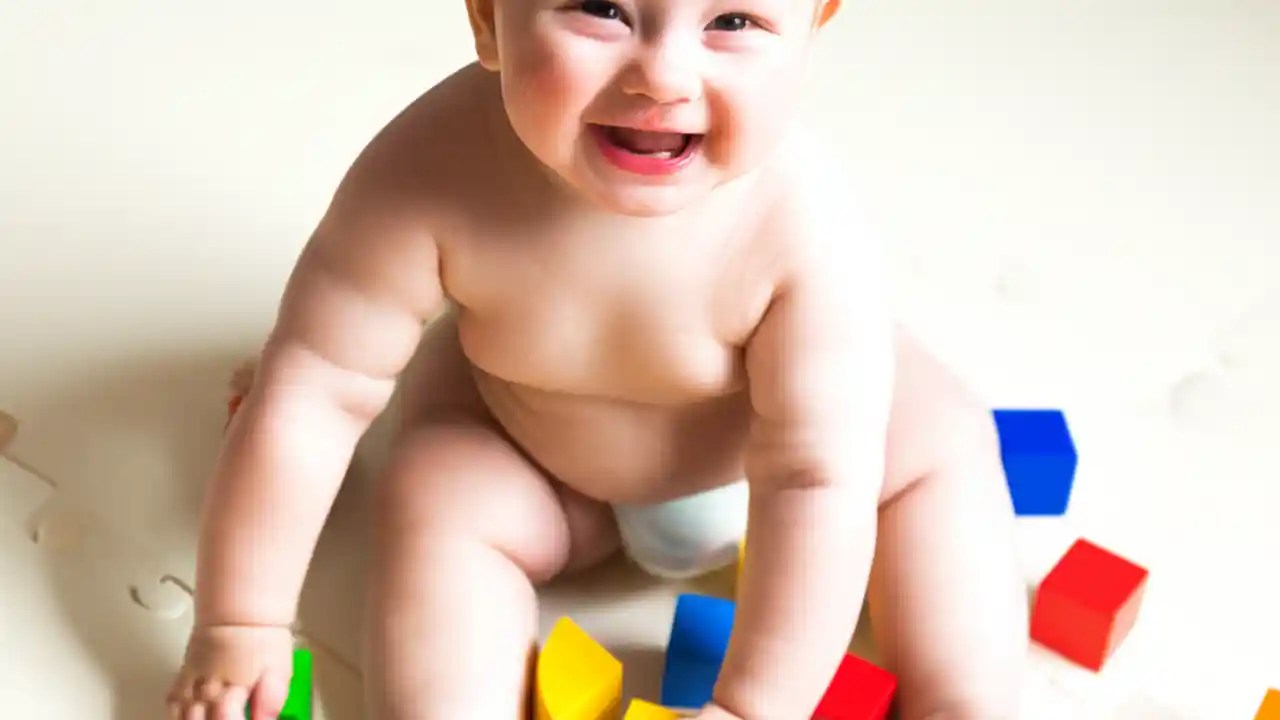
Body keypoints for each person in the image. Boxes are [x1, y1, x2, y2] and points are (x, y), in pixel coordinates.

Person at [168, 1, 1026, 717]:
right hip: (541, 456)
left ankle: (965, 696)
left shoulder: (804, 224)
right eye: (601, 9)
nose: (663, 75)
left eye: (730, 19)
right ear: (488, 21)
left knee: (936, 433)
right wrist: (240, 621)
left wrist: (751, 705)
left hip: (773, 463)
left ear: (814, 27)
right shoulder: (424, 173)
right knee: (437, 486)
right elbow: (317, 387)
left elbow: (817, 476)